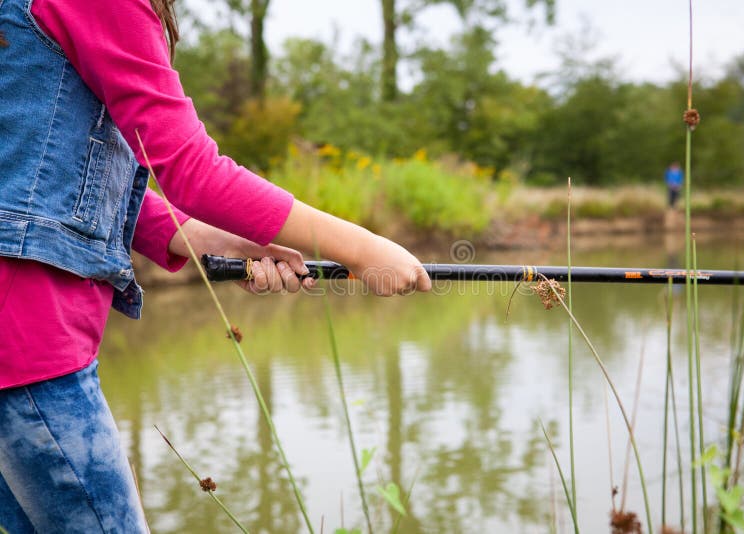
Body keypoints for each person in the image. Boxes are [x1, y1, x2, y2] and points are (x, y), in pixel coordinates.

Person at [0, 0, 431, 531]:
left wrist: (199, 236)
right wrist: (363, 249)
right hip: (24, 341)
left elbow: (34, 175)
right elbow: (192, 169)